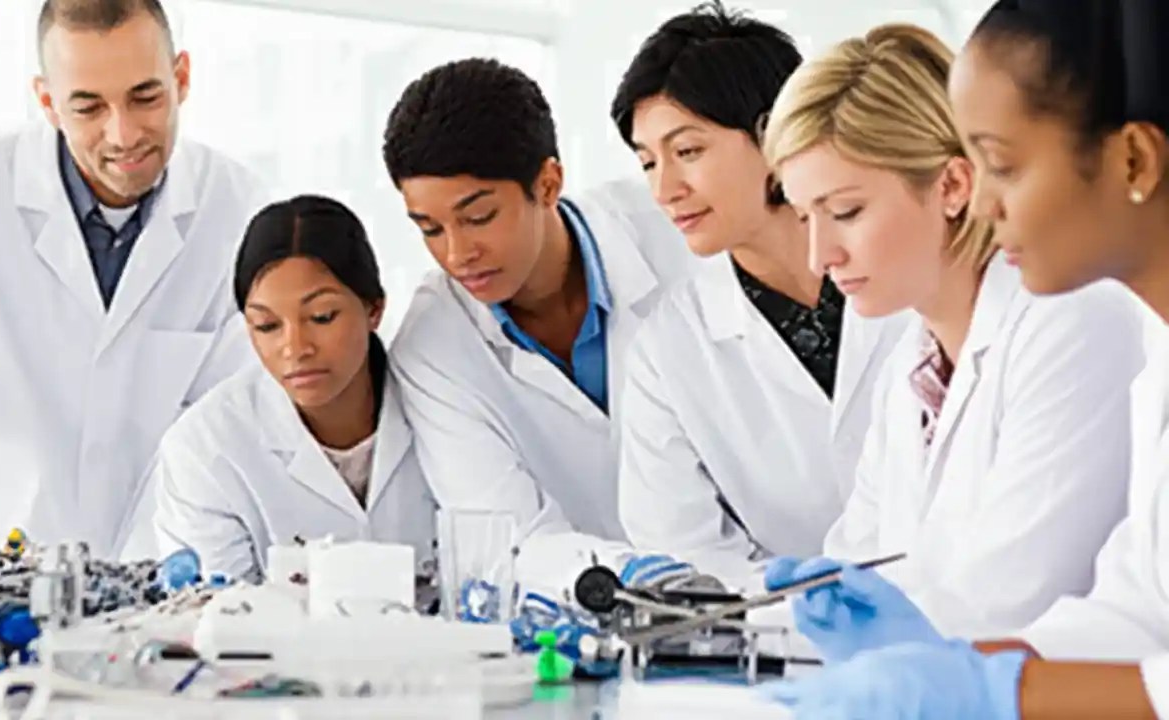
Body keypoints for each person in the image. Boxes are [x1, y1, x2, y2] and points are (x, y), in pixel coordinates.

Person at [759, 1, 1169, 716]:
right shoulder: (1156, 360)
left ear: (1134, 159)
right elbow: (1135, 610)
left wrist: (984, 688)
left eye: (1001, 165)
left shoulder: (1084, 323)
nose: (980, 202)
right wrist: (962, 668)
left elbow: (1025, 600)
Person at [0, 0, 267, 557]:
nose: (124, 135)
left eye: (146, 97)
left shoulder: (240, 211)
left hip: (162, 576)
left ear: (181, 77)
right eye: (88, 108)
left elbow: (230, 430)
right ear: (47, 102)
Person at [608, 1, 906, 589]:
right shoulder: (668, 350)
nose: (665, 189)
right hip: (787, 640)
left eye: (687, 151)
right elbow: (685, 558)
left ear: (775, 134)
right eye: (647, 162)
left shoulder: (910, 272)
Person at [384, 58, 696, 596]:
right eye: (431, 229)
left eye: (479, 217)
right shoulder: (432, 345)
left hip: (755, 577)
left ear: (548, 183)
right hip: (588, 608)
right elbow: (505, 533)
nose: (458, 254)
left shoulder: (674, 236)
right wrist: (638, 575)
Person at [147, 196, 435, 583]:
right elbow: (220, 621)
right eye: (267, 326)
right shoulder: (205, 446)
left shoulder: (444, 406)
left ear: (374, 310)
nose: (296, 348)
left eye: (321, 317)